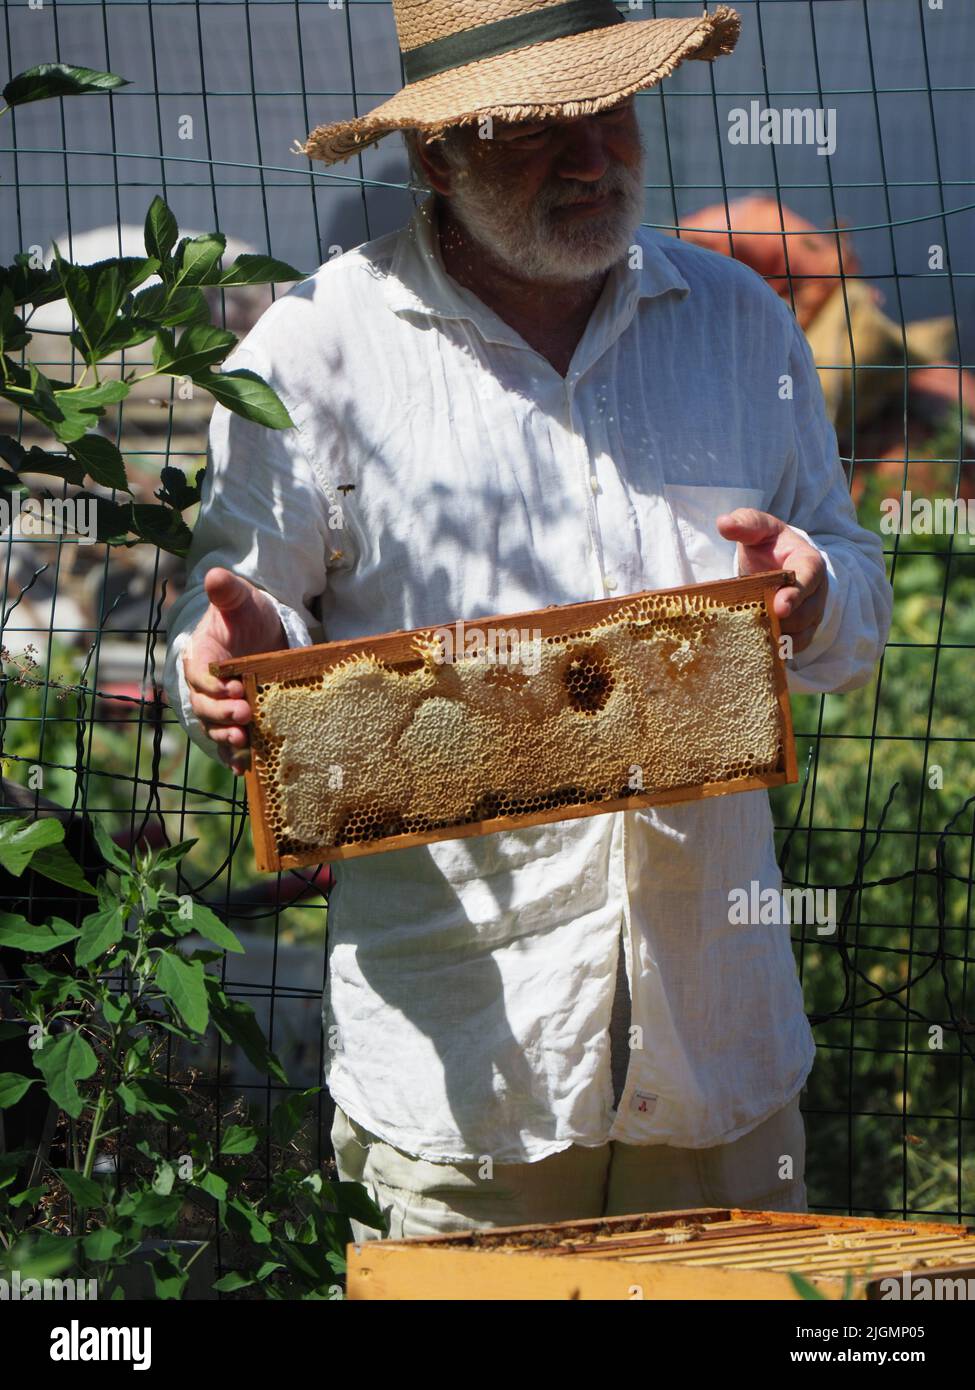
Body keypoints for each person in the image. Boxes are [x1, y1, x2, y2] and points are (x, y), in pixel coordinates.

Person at [162, 0, 893, 1241]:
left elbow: (857, 588)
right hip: (466, 1077)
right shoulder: (319, 349)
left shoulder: (738, 322)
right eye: (535, 129)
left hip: (717, 1062)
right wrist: (233, 661)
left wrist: (817, 588)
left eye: (610, 110)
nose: (592, 155)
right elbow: (243, 606)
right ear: (436, 155)